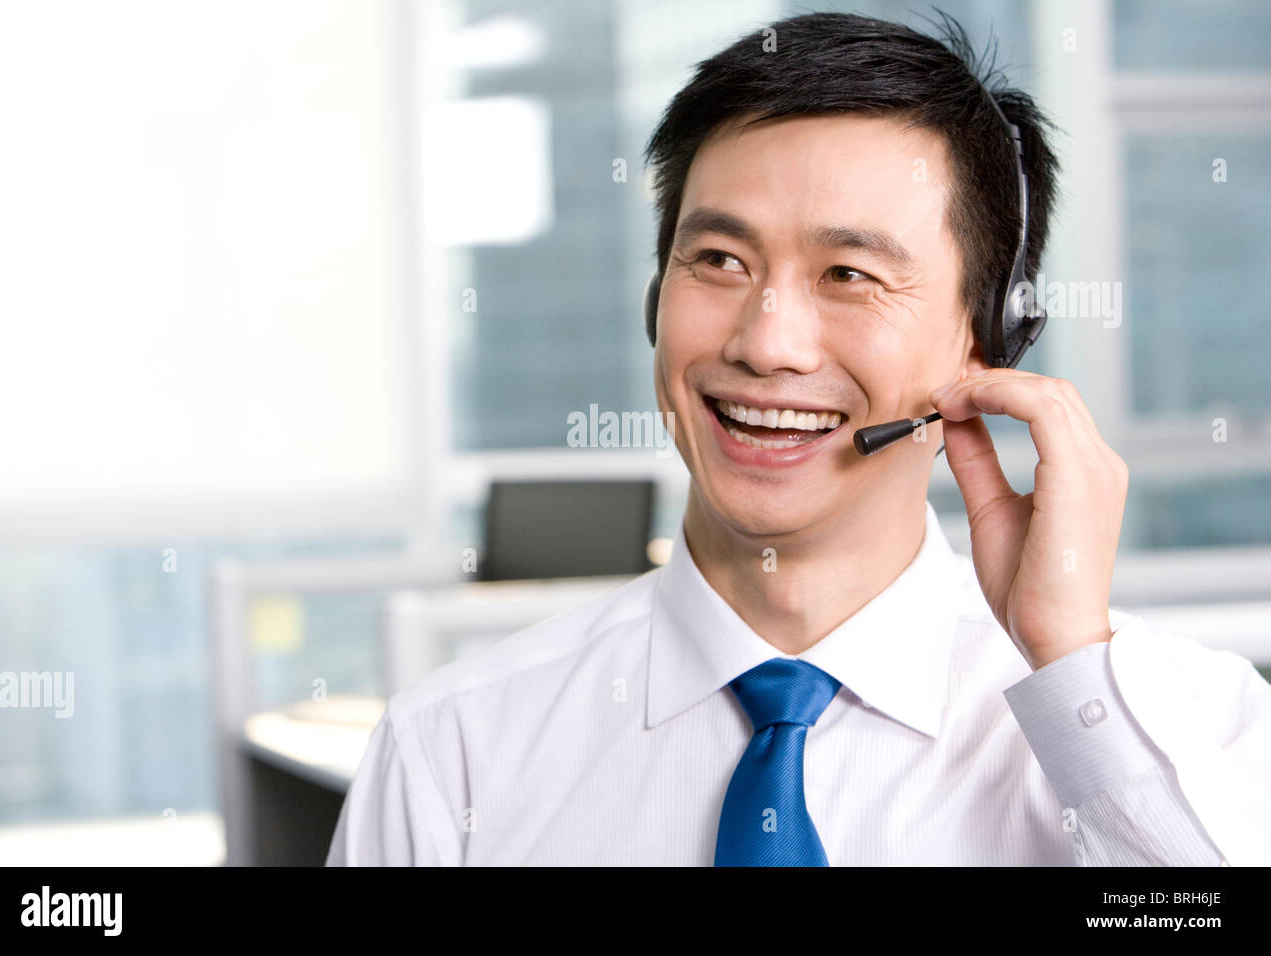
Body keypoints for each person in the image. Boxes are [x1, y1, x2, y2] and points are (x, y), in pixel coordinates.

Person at [326, 11, 1271, 866]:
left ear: (990, 341)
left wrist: (1068, 662)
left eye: (850, 274)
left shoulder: (1190, 729)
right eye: (719, 261)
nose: (766, 342)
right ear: (657, 299)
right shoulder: (451, 754)